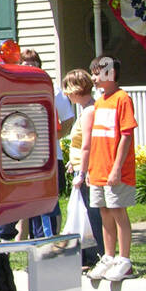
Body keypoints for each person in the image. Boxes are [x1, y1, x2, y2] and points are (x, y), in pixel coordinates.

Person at [81, 55, 137, 282]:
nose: (93, 78)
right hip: (98, 170)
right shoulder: (100, 102)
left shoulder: (122, 99)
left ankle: (125, 260)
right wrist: (89, 170)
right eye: (93, 73)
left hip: (116, 172)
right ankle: (109, 255)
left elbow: (126, 136)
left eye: (98, 73)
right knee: (103, 212)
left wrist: (116, 168)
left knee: (118, 211)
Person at [18, 49, 75, 238]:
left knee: (50, 201)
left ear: (40, 67)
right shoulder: (14, 89)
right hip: (24, 158)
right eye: (26, 64)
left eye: (34, 64)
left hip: (50, 157)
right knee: (29, 202)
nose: (30, 68)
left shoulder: (53, 90)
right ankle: (33, 241)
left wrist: (49, 139)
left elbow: (67, 121)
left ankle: (51, 240)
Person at [63, 68, 104, 268]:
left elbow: (88, 144)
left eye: (68, 90)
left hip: (86, 170)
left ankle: (96, 253)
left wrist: (83, 172)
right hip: (79, 165)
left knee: (91, 214)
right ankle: (89, 254)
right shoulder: (85, 109)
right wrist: (74, 161)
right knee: (85, 213)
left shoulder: (89, 111)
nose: (67, 95)